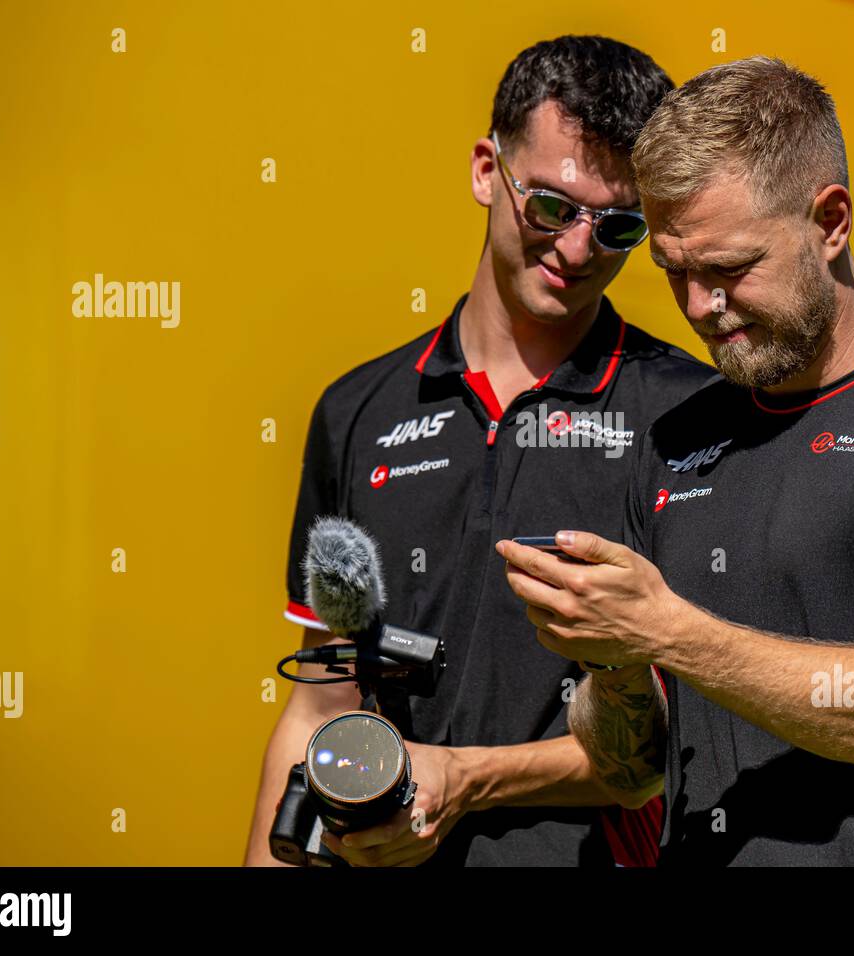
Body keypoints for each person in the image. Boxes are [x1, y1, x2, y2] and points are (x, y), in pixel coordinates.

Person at [499, 56, 854, 866]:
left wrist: (670, 631)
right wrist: (613, 663)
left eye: (729, 269)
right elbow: (634, 773)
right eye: (674, 271)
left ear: (831, 221)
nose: (698, 306)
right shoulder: (674, 441)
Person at [244, 35, 713, 867]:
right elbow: (321, 705)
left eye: (618, 227)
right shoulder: (357, 410)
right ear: (484, 172)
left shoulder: (685, 414)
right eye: (552, 207)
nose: (577, 249)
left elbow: (676, 743)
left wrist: (465, 777)